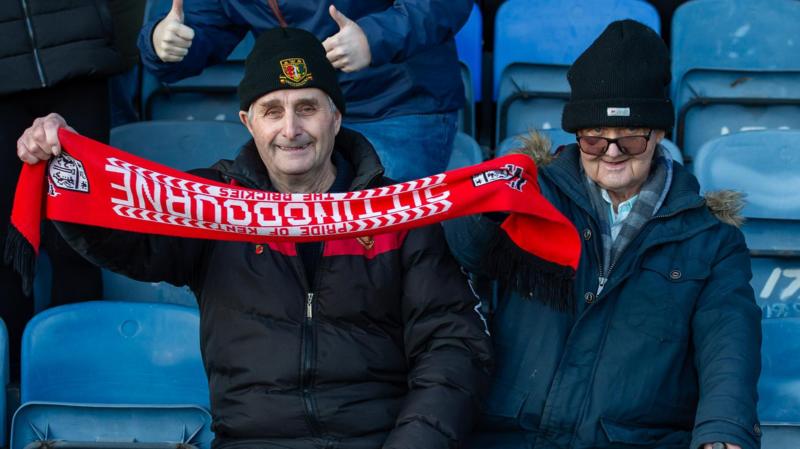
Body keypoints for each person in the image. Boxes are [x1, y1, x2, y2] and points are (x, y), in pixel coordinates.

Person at [17, 28, 492, 449]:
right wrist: (65, 164)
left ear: (336, 118)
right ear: (248, 122)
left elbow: (453, 346)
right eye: (272, 111)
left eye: (308, 107)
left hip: (378, 437)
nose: (291, 130)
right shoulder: (210, 205)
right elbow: (120, 240)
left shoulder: (396, 212)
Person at [443, 20, 762, 449]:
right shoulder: (528, 194)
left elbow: (728, 345)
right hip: (512, 435)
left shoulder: (710, 239)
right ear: (576, 135)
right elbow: (456, 258)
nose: (611, 153)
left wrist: (723, 434)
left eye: (629, 139)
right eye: (595, 139)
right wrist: (485, 210)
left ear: (659, 134)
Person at [138, 0, 472, 182]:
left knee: (385, 249)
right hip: (303, 114)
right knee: (297, 256)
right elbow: (201, 26)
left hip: (395, 105)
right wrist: (161, 43)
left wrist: (374, 38)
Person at [0, 0, 132, 380]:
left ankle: (82, 377)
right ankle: (11, 387)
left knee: (81, 239)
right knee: (6, 246)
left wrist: (115, 44)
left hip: (79, 60)